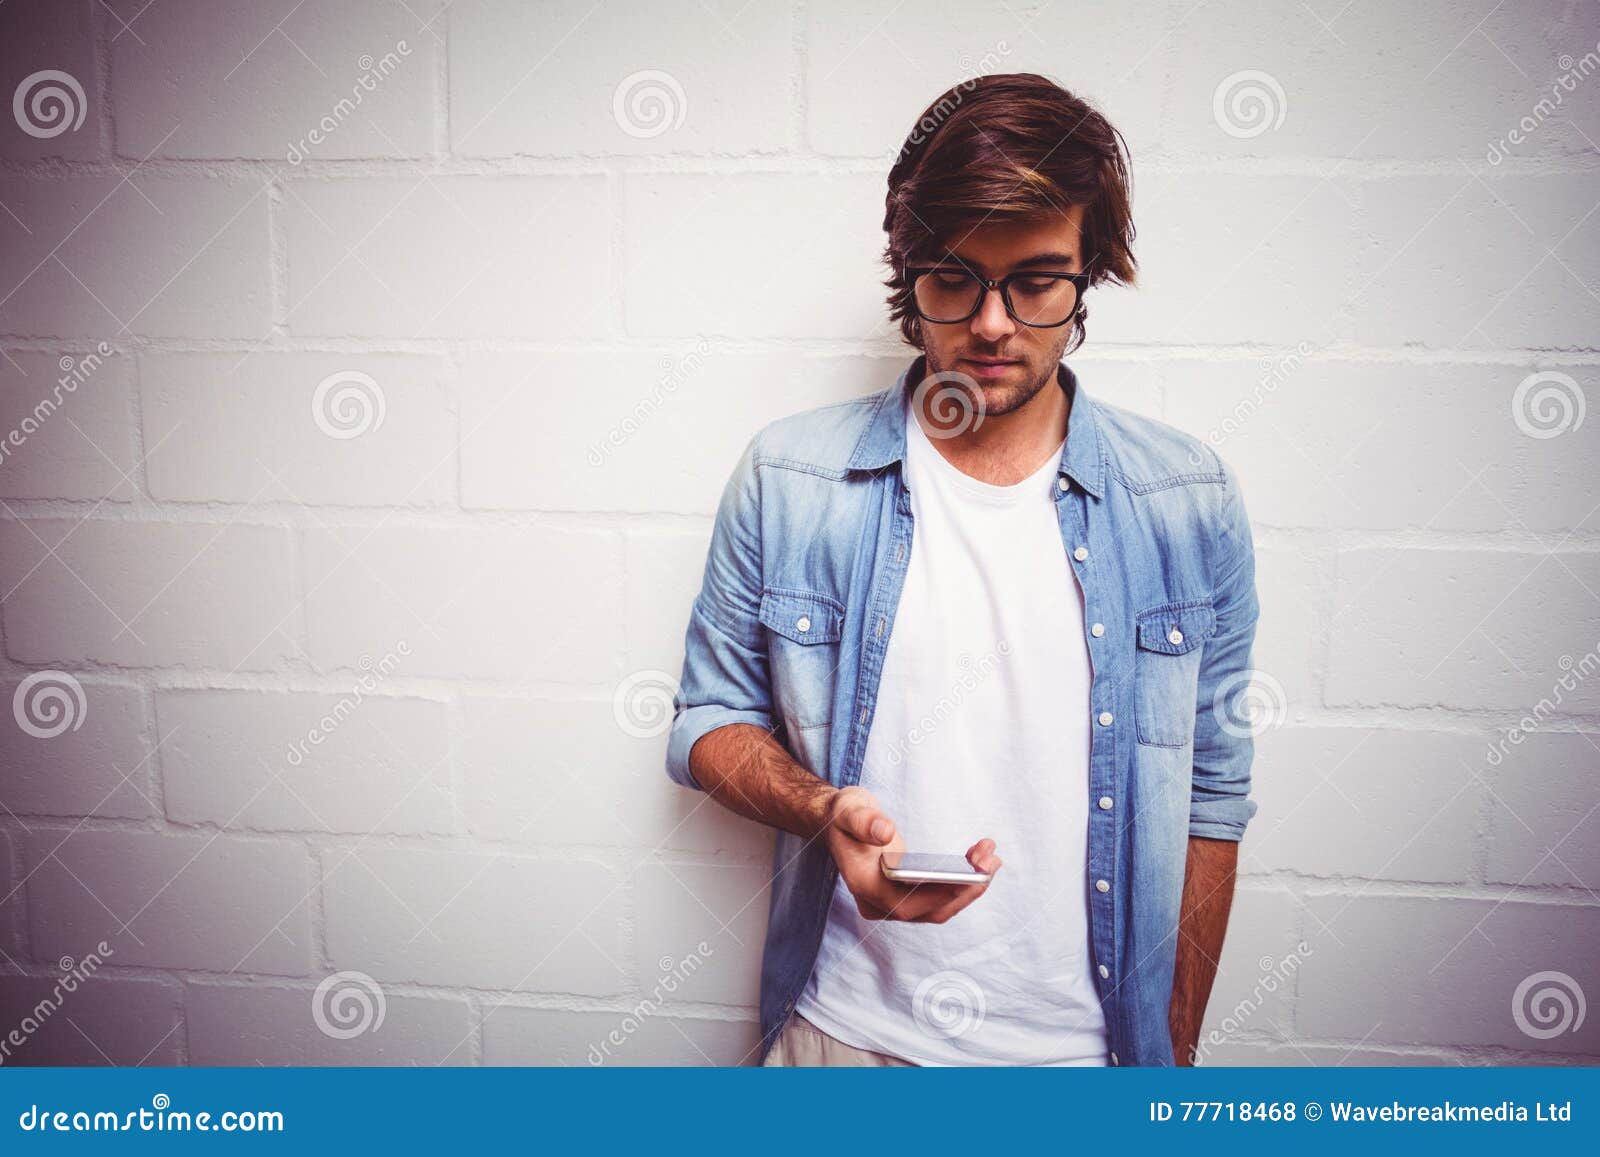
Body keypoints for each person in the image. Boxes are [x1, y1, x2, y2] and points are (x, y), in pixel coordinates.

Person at [665, 73, 1260, 1067]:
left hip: (1084, 1060)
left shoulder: (1185, 500)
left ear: (1089, 274)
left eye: (1034, 280)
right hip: (841, 1038)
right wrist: (823, 807)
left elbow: (1212, 794)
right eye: (954, 277)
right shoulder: (791, 478)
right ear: (908, 274)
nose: (990, 323)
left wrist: (1170, 1066)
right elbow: (704, 718)